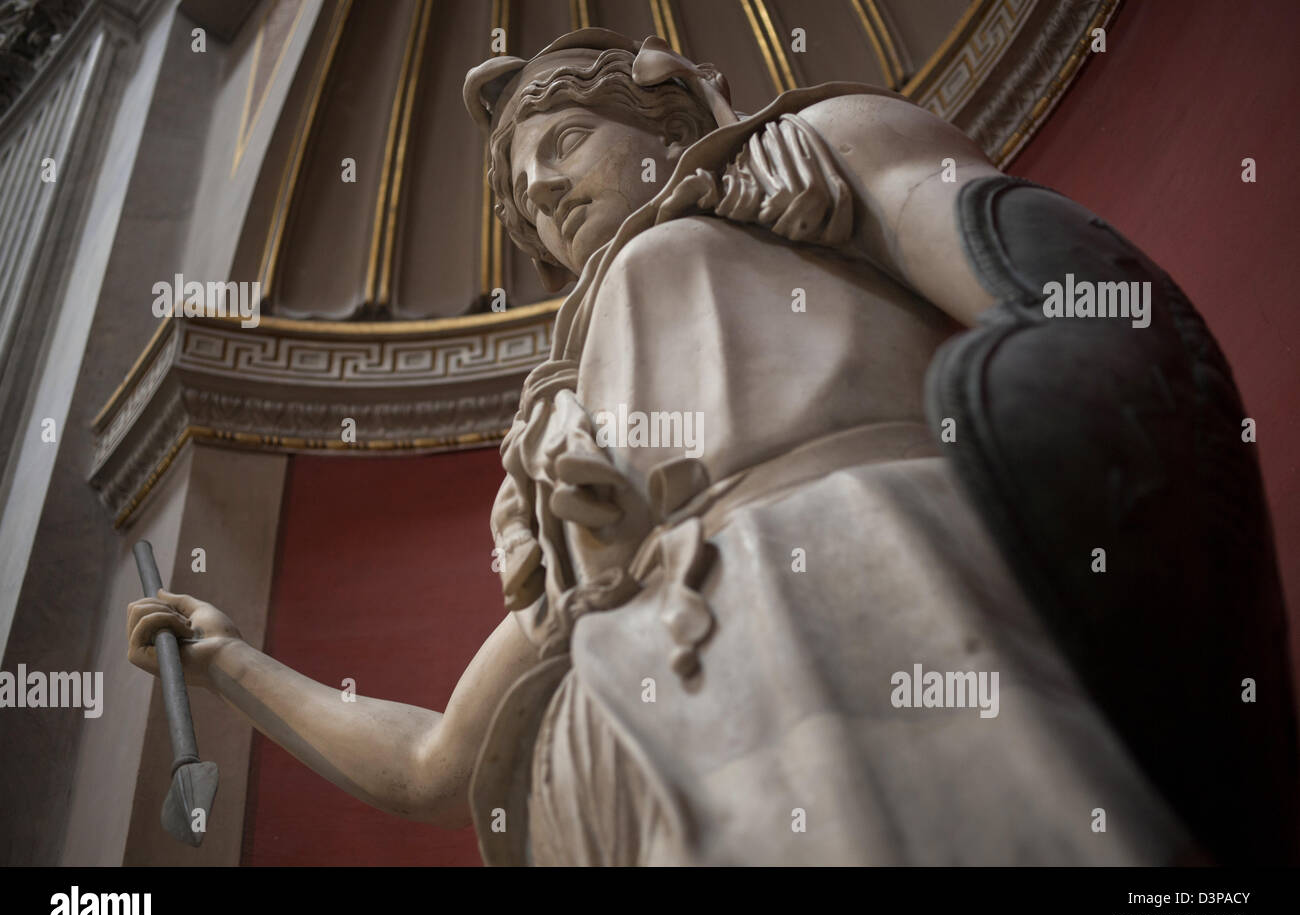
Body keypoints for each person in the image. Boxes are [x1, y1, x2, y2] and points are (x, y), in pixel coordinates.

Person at [127, 29, 1296, 865]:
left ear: (667, 105)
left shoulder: (804, 164)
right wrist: (229, 658)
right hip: (622, 731)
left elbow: (1052, 287)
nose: (539, 196)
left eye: (564, 142)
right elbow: (436, 761)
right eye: (522, 203)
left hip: (851, 584)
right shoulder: (564, 436)